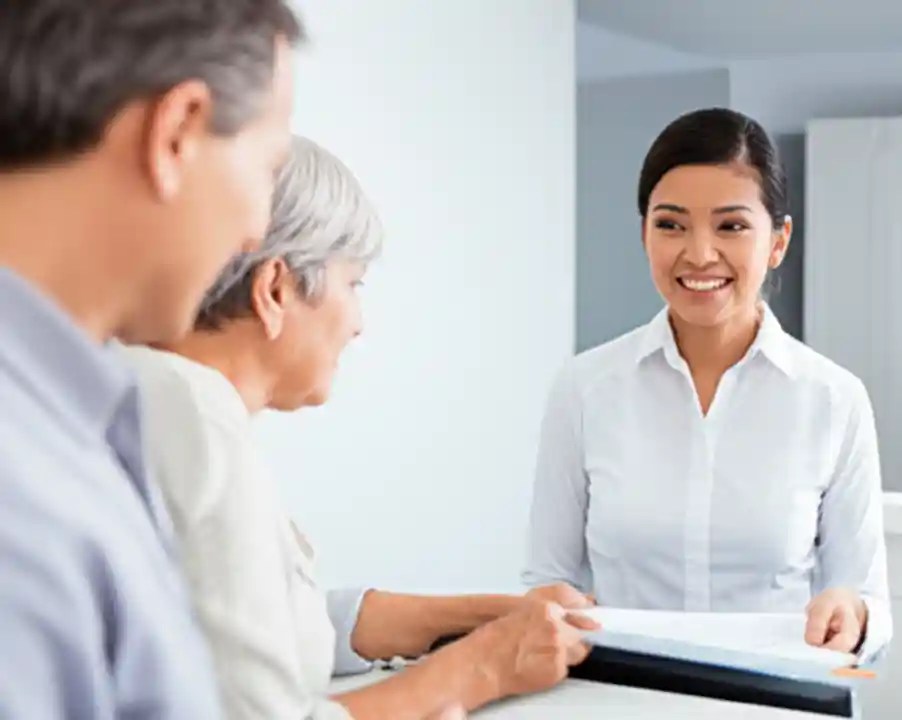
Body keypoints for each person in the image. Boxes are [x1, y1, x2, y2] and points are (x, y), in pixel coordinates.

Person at [122, 135, 597, 720]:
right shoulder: (194, 424)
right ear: (276, 289)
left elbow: (258, 621)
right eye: (354, 284)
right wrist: (480, 668)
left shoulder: (161, 397)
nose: (358, 323)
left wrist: (478, 616)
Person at [0, 1, 301, 717]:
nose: (257, 231)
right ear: (177, 133)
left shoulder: (78, 421)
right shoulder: (22, 492)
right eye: (267, 169)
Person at [523, 107, 893, 662]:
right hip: (623, 698)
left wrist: (853, 613)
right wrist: (548, 607)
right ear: (644, 233)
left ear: (778, 240)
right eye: (670, 224)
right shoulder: (583, 389)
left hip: (774, 700)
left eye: (732, 225)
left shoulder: (835, 400)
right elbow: (546, 577)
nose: (699, 253)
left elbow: (864, 596)